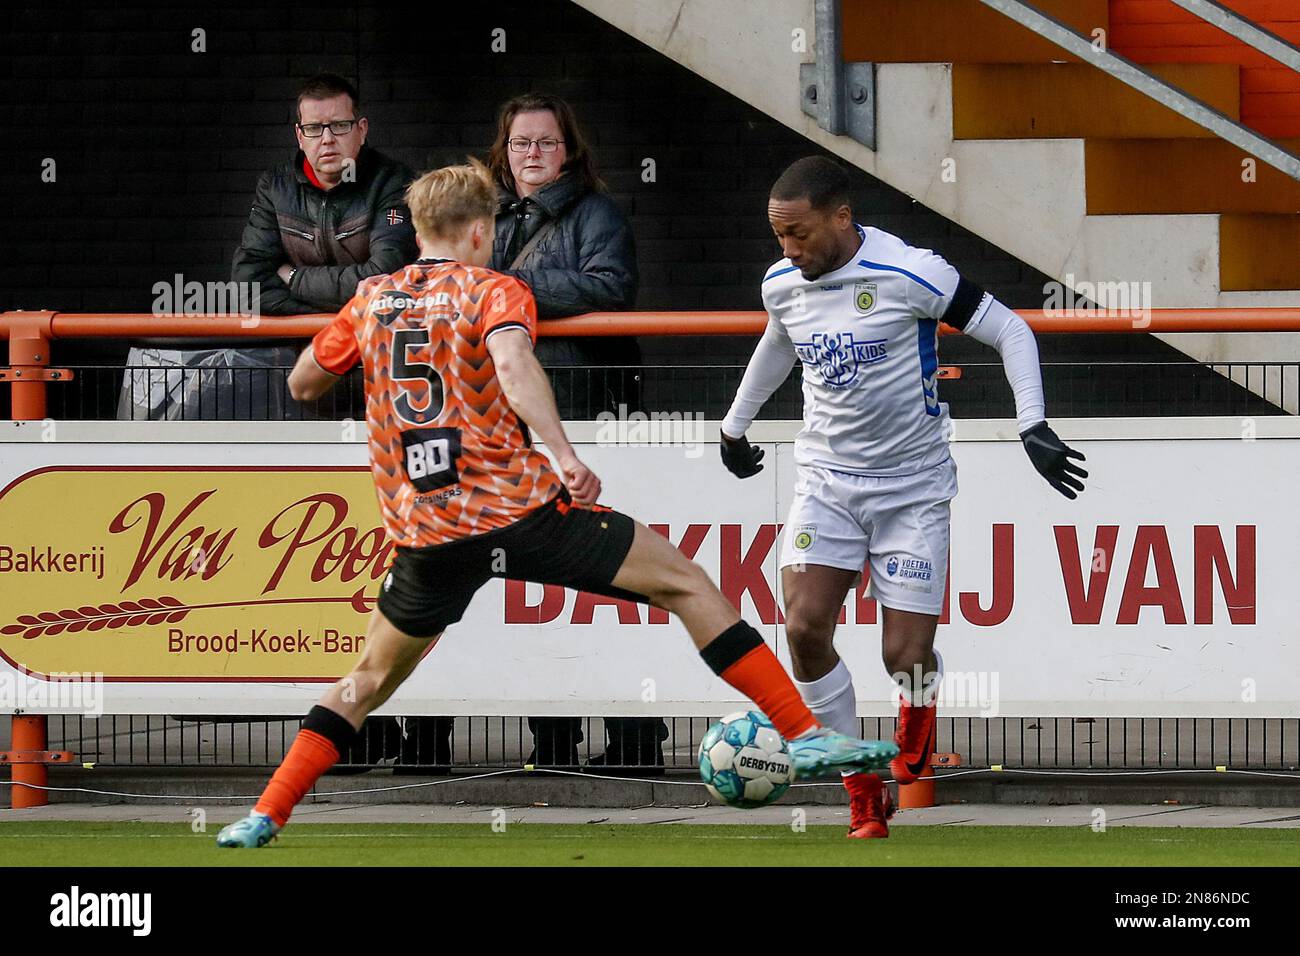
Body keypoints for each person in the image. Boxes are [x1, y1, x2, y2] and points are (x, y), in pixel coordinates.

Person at [216, 160, 895, 847]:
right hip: (522, 515)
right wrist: (564, 455)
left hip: (425, 533)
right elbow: (512, 365)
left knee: (365, 681)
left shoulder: (369, 300)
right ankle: (804, 736)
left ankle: (265, 812)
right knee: (687, 584)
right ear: (480, 230)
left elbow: (304, 382)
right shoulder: (494, 290)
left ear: (418, 229)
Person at [718, 156, 1087, 839]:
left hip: (912, 491)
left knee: (905, 656)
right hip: (826, 481)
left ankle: (917, 704)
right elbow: (779, 342)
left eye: (799, 235)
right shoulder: (784, 281)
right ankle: (863, 791)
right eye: (780, 239)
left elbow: (1011, 329)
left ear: (840, 217)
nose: (789, 251)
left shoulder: (912, 272)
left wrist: (1031, 423)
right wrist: (733, 426)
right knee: (801, 627)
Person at [487, 92, 657, 771]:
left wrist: (510, 288)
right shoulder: (489, 216)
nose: (533, 155)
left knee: (611, 577)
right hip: (514, 418)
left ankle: (635, 740)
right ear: (504, 152)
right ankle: (551, 742)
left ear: (569, 150)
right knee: (538, 583)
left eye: (546, 143)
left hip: (591, 413)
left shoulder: (597, 212)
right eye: (521, 144)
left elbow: (609, 287)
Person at [118, 73, 418, 422]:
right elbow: (247, 284)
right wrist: (320, 321)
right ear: (299, 135)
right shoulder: (276, 187)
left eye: (339, 126)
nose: (327, 140)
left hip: (379, 363)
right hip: (299, 371)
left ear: (361, 130)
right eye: (314, 128)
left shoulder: (392, 181)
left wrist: (292, 278)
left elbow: (383, 277)